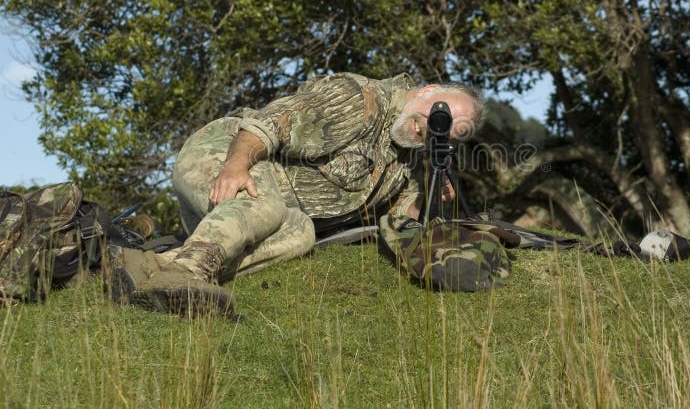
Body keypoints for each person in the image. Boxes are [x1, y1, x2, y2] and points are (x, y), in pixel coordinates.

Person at [112, 72, 484, 315]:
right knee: (268, 206)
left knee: (301, 233)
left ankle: (148, 270)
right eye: (440, 115)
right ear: (427, 91)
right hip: (226, 151)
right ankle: (184, 271)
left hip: (244, 216)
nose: (434, 129)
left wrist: (431, 199)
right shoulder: (359, 99)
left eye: (447, 132)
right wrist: (235, 166)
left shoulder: (405, 159)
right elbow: (270, 122)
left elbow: (397, 217)